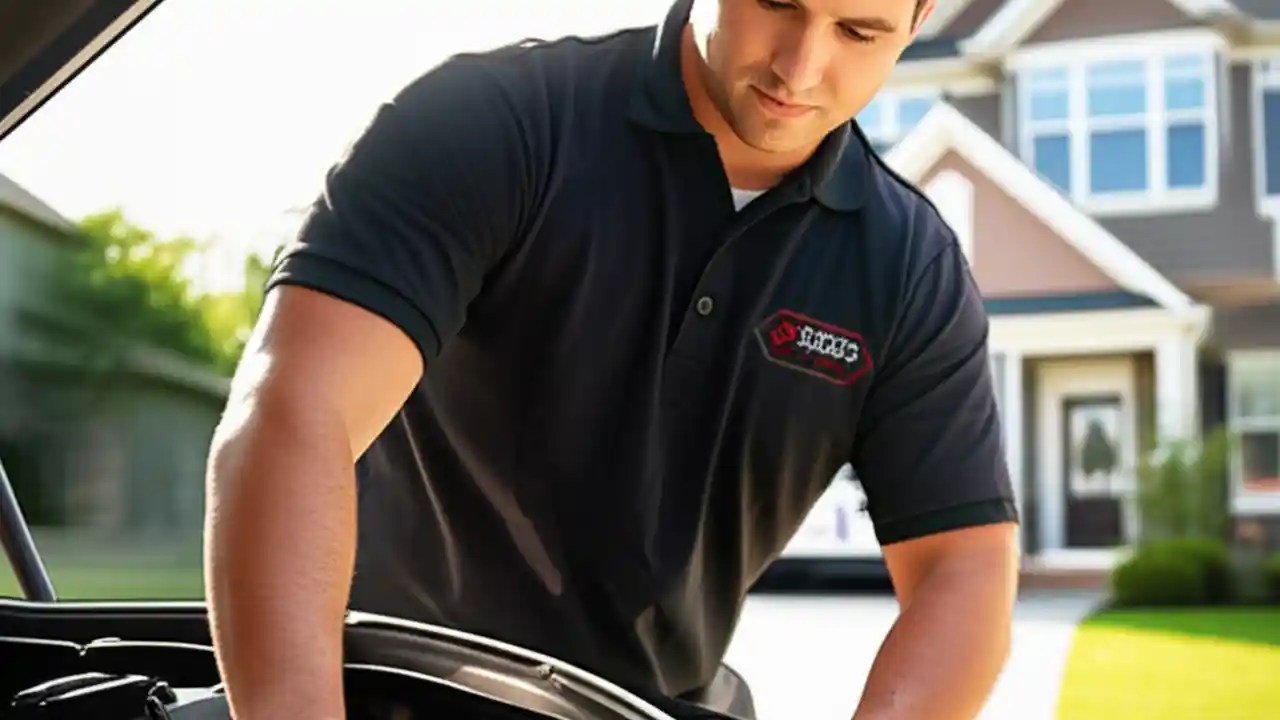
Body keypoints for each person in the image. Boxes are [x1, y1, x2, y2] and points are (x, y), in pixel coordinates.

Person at [202, 0, 1022, 718]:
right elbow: (296, 411)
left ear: (918, 23)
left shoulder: (909, 272)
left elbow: (963, 563)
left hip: (647, 708)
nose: (800, 65)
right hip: (385, 688)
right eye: (776, 1)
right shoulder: (492, 123)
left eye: (858, 30)